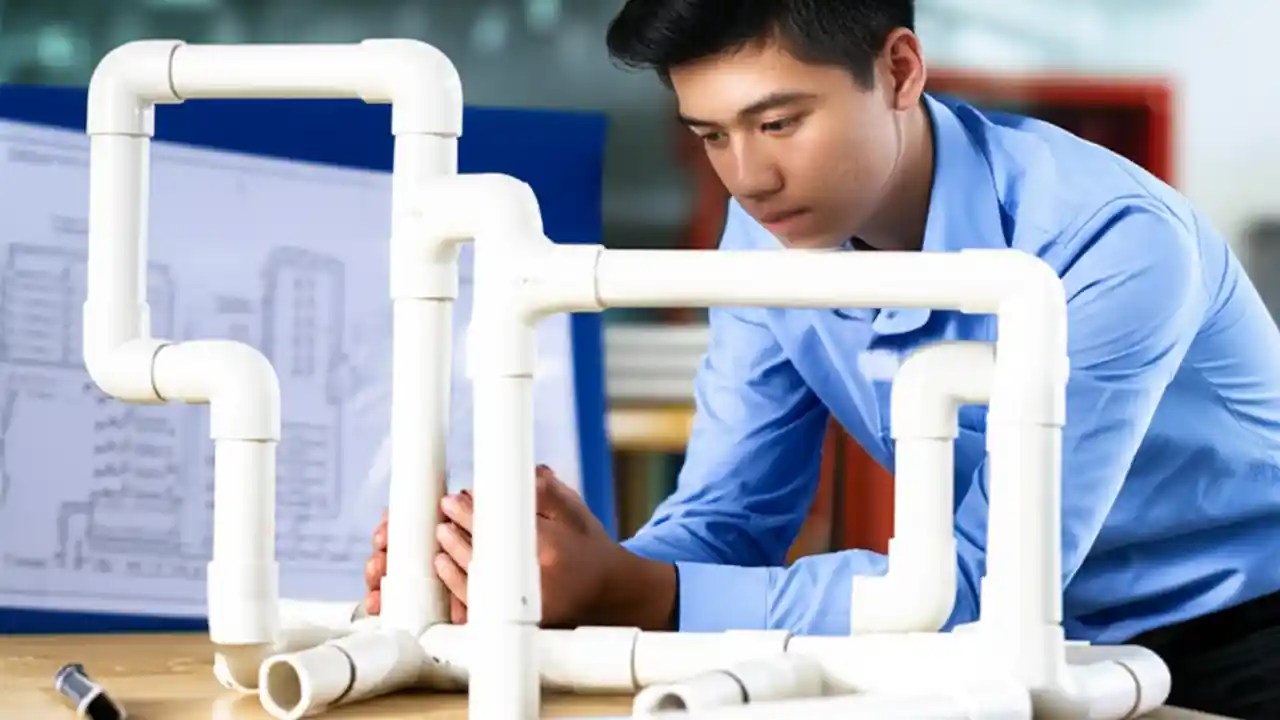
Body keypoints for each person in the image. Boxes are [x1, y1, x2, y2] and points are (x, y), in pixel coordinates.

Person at [366, 2, 1280, 716]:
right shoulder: (765, 230)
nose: (747, 178)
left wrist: (632, 591)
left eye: (779, 122)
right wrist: (543, 584)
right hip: (1014, 649)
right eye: (711, 135)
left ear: (899, 69)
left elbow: (984, 585)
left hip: (1241, 641)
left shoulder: (1110, 243)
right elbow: (727, 523)